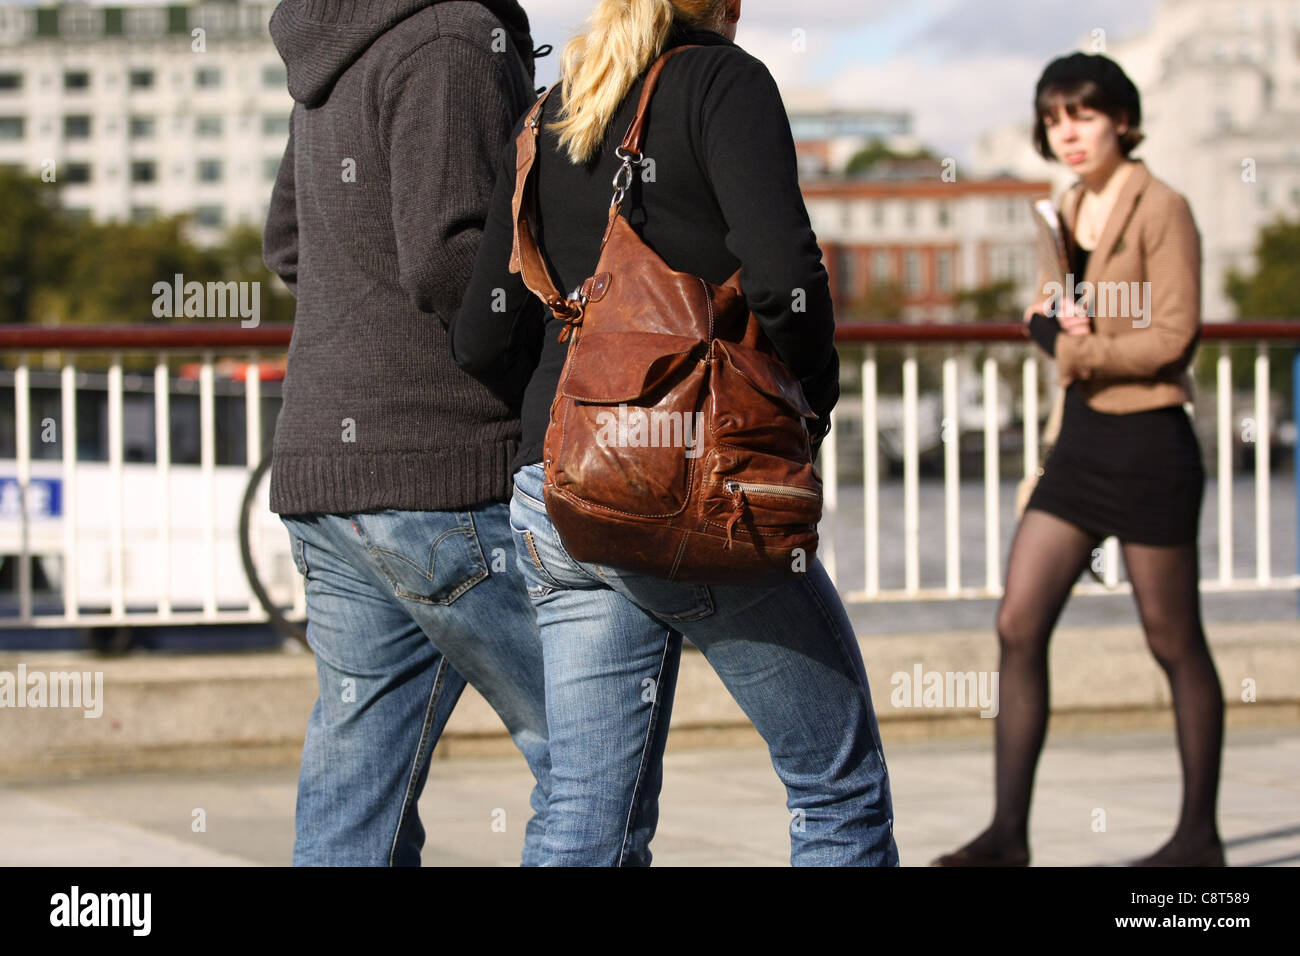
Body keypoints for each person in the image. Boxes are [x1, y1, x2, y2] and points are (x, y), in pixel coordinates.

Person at [450, 0, 898, 866]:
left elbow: (481, 335)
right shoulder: (724, 82)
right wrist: (809, 407)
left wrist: (567, 409)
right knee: (835, 787)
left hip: (560, 488)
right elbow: (784, 280)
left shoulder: (550, 112)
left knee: (586, 810)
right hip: (695, 488)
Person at [262, 0, 554, 866]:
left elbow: (286, 245)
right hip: (443, 470)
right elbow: (450, 257)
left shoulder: (336, 42)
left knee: (358, 797)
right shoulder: (455, 35)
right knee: (594, 751)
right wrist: (559, 351)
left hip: (331, 477)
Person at [933, 52, 1224, 867]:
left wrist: (1073, 349)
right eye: (1055, 118)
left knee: (1174, 642)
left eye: (1084, 116)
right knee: (1017, 621)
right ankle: (1008, 837)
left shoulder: (1164, 207)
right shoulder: (1062, 208)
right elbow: (1050, 315)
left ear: (1122, 121)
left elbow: (1175, 337)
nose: (1068, 133)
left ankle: (1199, 840)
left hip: (1149, 443)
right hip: (1081, 445)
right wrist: (1049, 329)